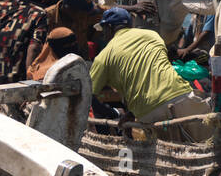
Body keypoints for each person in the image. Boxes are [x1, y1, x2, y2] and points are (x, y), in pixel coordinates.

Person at [89, 8, 213, 141]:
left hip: (150, 114)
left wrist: (115, 113)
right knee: (207, 144)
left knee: (167, 156)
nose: (103, 35)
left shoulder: (103, 57)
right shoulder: (152, 35)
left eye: (103, 31)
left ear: (109, 28)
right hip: (182, 97)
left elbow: (89, 93)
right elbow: (152, 72)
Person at [45, 0, 154, 60]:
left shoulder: (88, 12)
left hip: (80, 57)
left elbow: (108, 10)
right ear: (69, 9)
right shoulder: (47, 17)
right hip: (53, 59)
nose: (87, 15)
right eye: (84, 13)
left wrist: (133, 8)